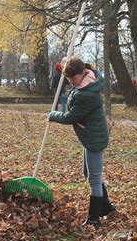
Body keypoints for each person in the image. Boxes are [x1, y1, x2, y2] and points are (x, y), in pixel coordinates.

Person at [48, 56, 115, 228]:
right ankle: (106, 207)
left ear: (82, 72)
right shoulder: (87, 80)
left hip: (93, 138)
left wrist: (53, 115)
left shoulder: (88, 94)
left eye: (73, 79)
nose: (71, 82)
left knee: (94, 179)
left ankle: (94, 219)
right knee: (88, 173)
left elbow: (72, 116)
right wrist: (64, 63)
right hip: (89, 134)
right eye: (68, 80)